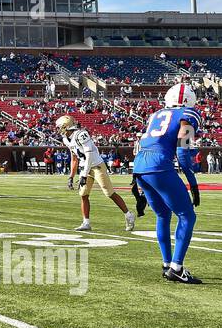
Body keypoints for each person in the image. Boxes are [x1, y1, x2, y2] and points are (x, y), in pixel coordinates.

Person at [133, 84, 202, 284]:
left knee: (163, 214)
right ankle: (177, 268)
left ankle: (166, 263)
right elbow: (182, 152)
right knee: (187, 215)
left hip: (139, 166)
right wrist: (193, 183)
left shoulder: (155, 115)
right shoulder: (188, 114)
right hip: (159, 165)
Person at [58, 115, 134, 232]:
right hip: (85, 167)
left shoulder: (81, 134)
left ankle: (128, 215)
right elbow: (74, 158)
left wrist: (83, 175)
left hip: (97, 166)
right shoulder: (65, 139)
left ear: (66, 126)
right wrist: (71, 176)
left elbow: (89, 155)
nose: (58, 129)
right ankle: (86, 222)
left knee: (109, 193)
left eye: (60, 127)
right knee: (83, 195)